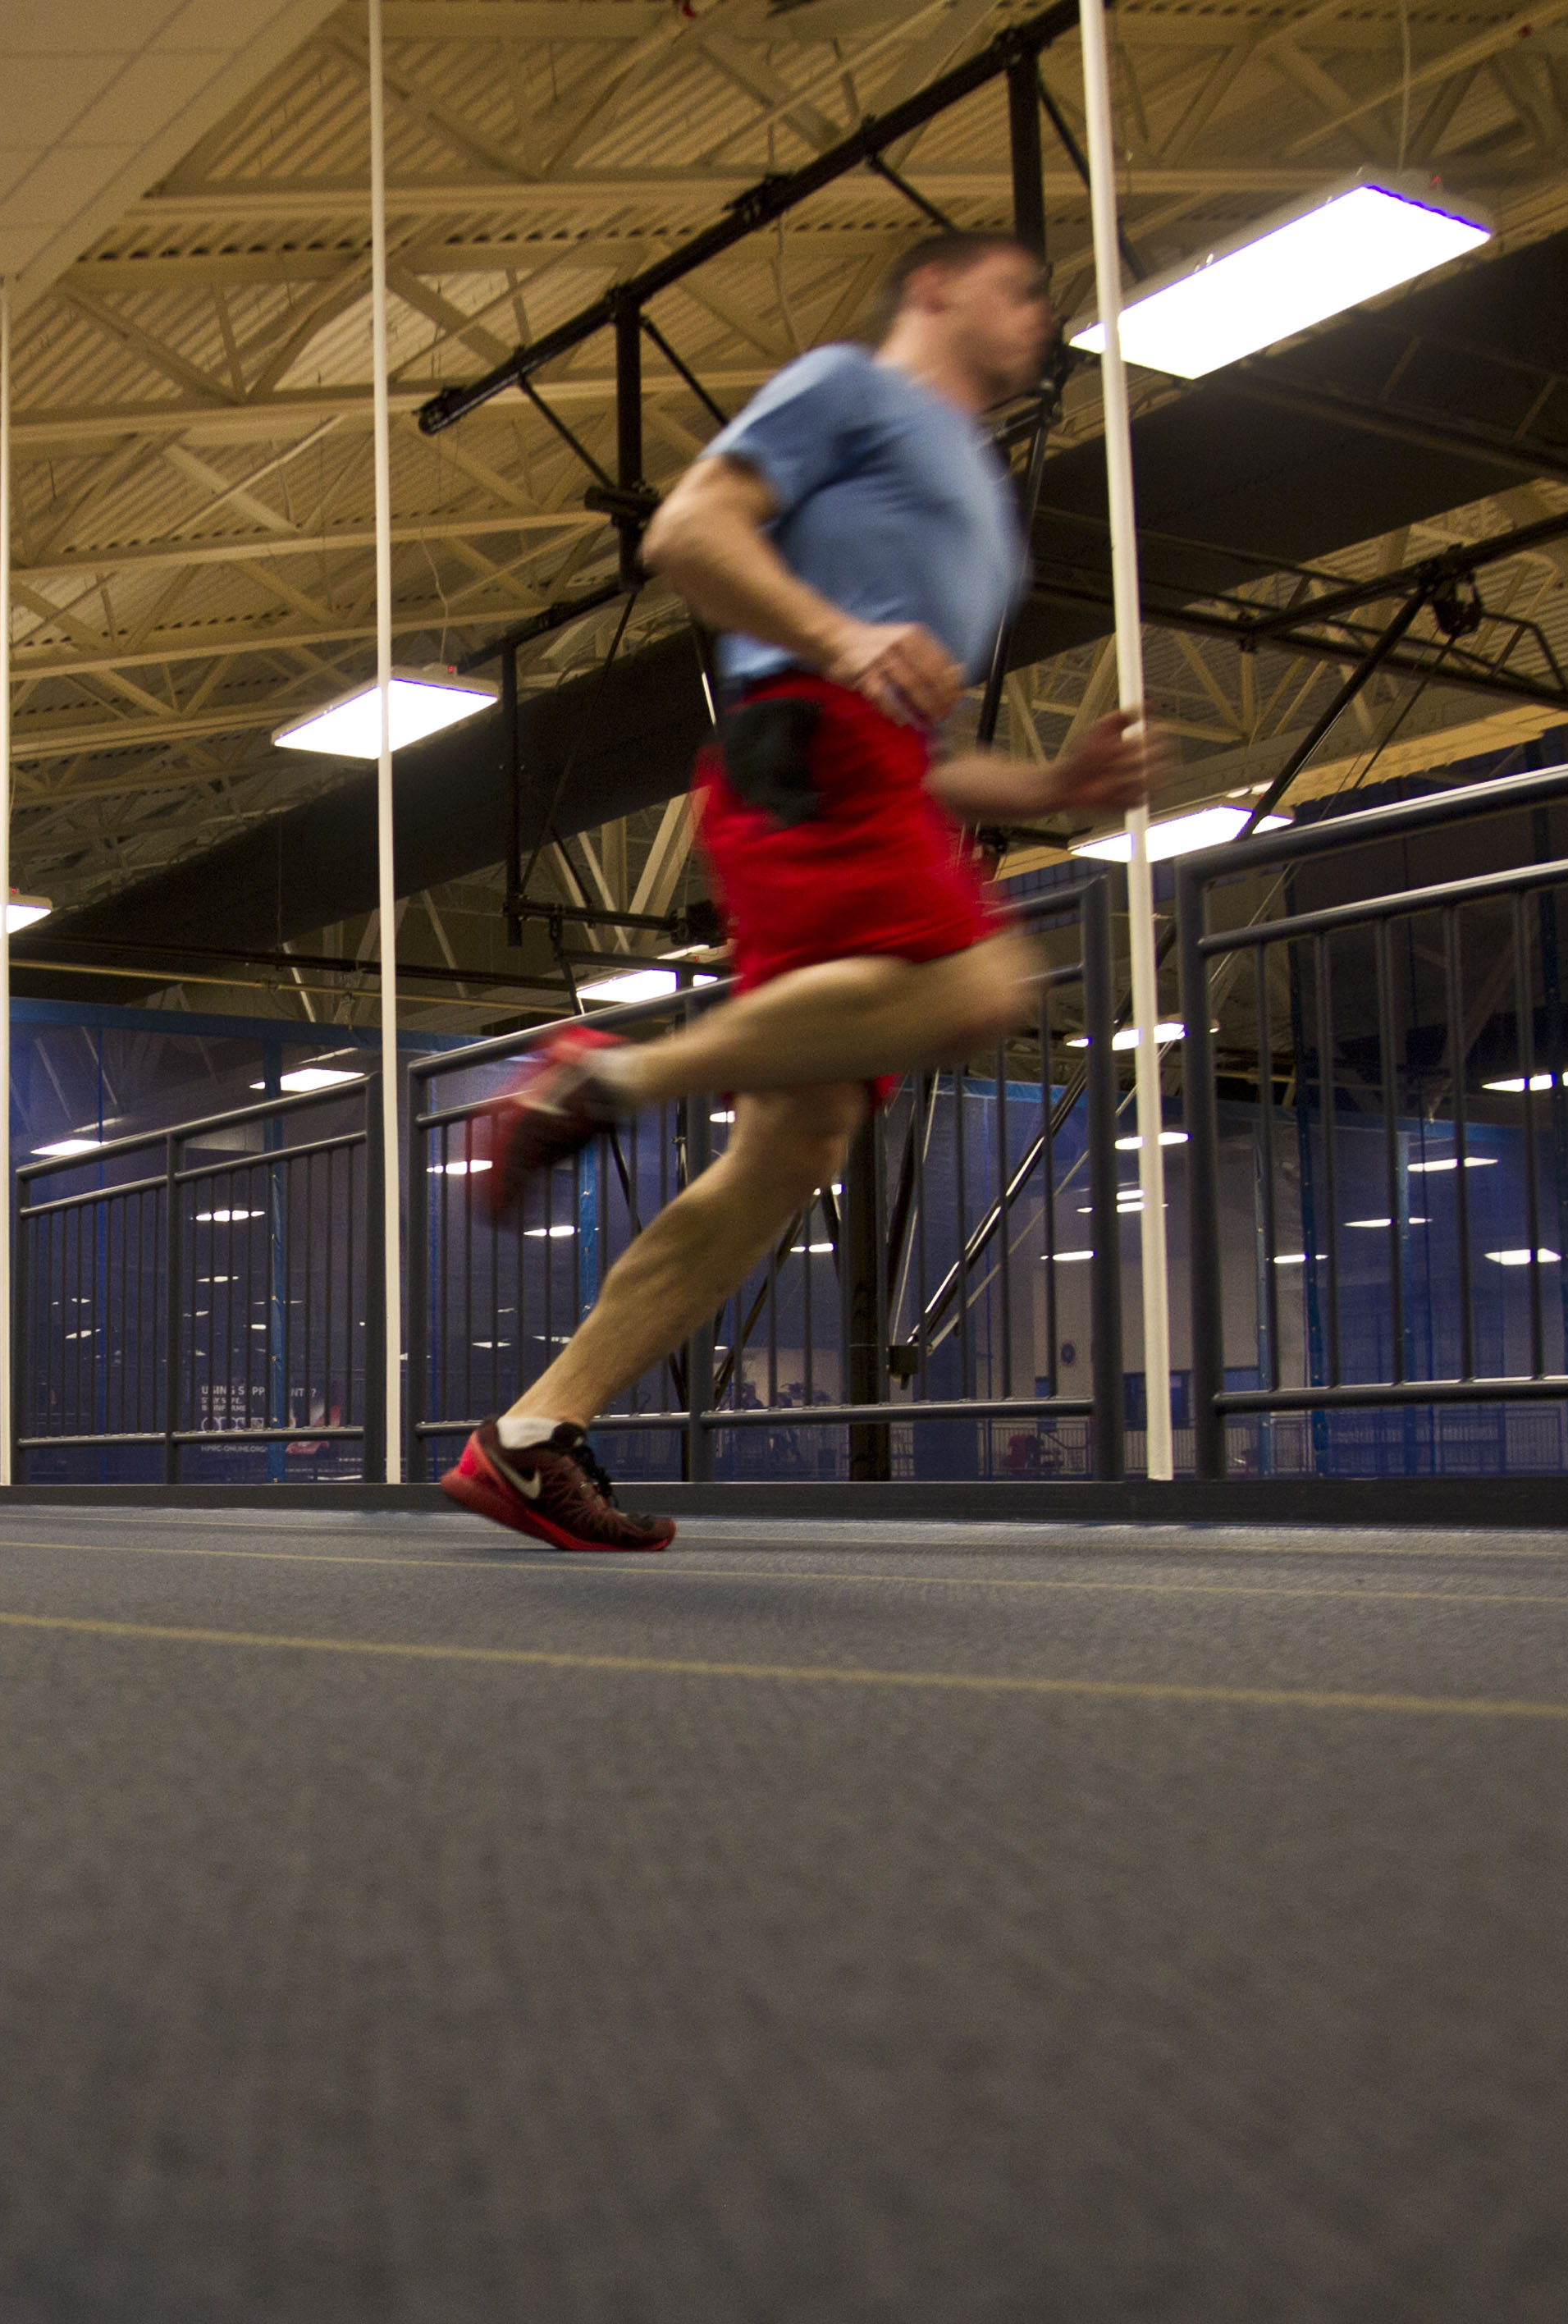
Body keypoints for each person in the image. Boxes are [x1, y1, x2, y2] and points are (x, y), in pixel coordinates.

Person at [447, 231, 1154, 1553]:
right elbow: (689, 531)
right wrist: (841, 638)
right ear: (932, 287)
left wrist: (1056, 791)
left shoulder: (970, 488)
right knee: (984, 985)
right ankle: (606, 1078)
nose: (1042, 320)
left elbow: (926, 750)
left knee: (792, 1147)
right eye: (1022, 291)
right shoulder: (854, 388)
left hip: (865, 763)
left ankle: (531, 1436)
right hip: (808, 742)